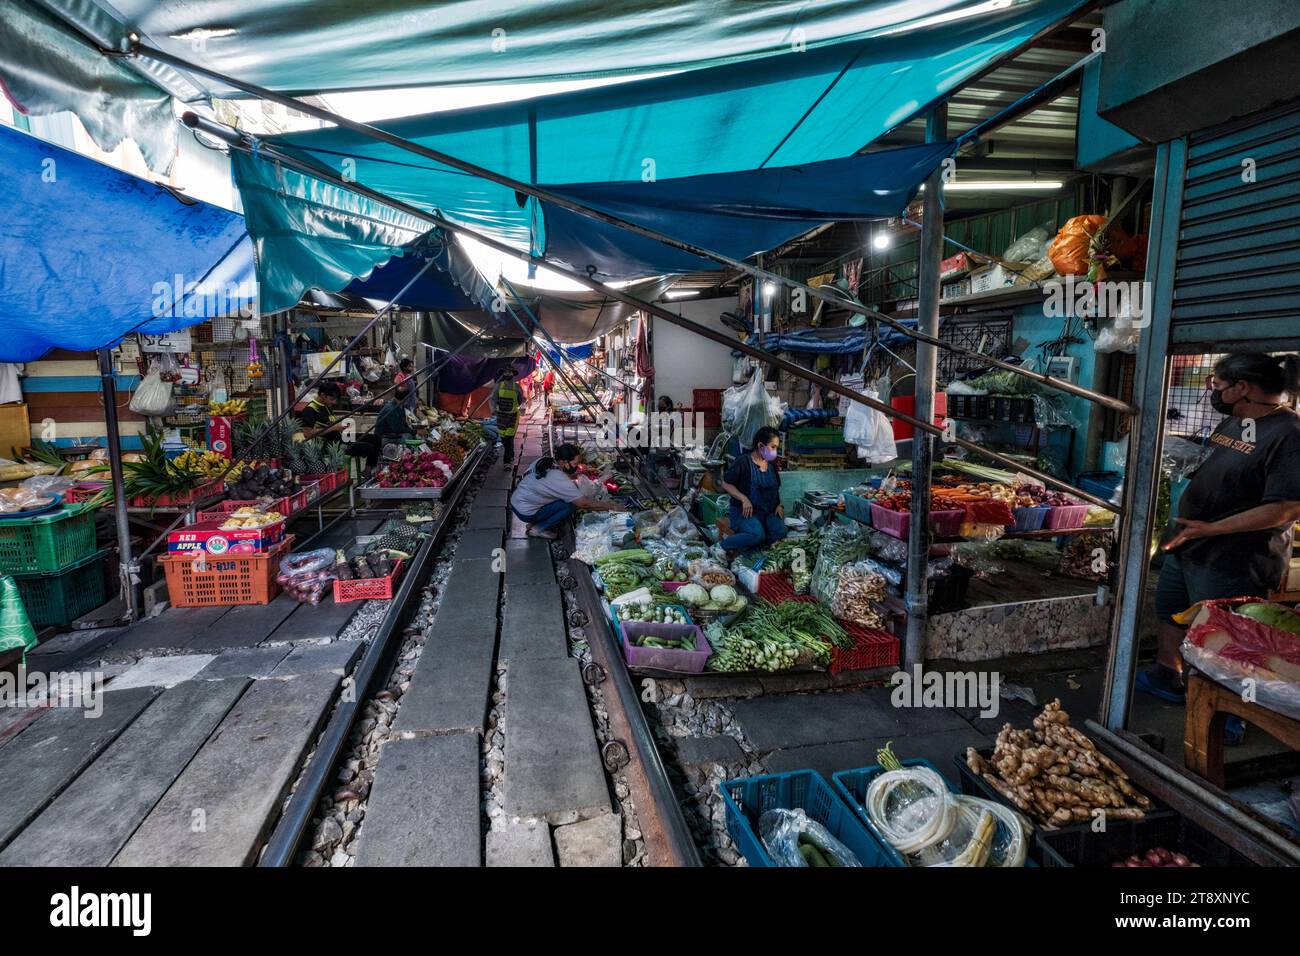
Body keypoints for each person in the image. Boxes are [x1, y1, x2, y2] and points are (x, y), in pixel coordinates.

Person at [1137, 352, 1300, 745]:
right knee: (1171, 611)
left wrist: (1213, 527)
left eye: (1218, 384)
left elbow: (1285, 507)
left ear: (1243, 388)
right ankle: (1166, 673)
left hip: (1235, 556)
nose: (1214, 390)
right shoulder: (1239, 419)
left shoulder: (1288, 434)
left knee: (1228, 636)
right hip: (1191, 541)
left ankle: (1231, 710)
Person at [510, 443, 620, 539]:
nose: (576, 468)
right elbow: (584, 503)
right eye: (575, 464)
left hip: (517, 502)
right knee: (570, 505)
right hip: (525, 512)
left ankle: (533, 523)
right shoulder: (559, 478)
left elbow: (549, 481)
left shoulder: (544, 461)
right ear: (564, 462)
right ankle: (538, 528)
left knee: (563, 498)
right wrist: (612, 506)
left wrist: (573, 475)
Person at [718, 426, 788, 554]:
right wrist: (743, 498)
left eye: (776, 447)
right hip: (744, 513)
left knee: (781, 531)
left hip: (767, 512)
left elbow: (774, 488)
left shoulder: (771, 465)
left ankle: (757, 551)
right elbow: (725, 483)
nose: (775, 451)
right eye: (773, 447)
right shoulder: (743, 462)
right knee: (757, 535)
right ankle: (721, 546)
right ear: (761, 446)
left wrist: (779, 505)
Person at [296, 381, 381, 472]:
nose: (334, 402)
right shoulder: (310, 410)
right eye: (332, 399)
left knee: (375, 439)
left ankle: (367, 471)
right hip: (332, 445)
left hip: (342, 438)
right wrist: (334, 427)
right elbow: (307, 434)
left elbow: (329, 423)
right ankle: (367, 472)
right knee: (368, 447)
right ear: (323, 395)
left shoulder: (325, 405)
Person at [493, 367, 525, 468]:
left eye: (509, 372)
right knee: (503, 438)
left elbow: (521, 400)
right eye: (506, 372)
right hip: (501, 417)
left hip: (513, 417)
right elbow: (493, 399)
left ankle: (507, 462)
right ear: (503, 374)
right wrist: (493, 409)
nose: (507, 374)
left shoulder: (517, 387)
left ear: (513, 374)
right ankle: (511, 454)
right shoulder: (498, 386)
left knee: (509, 438)